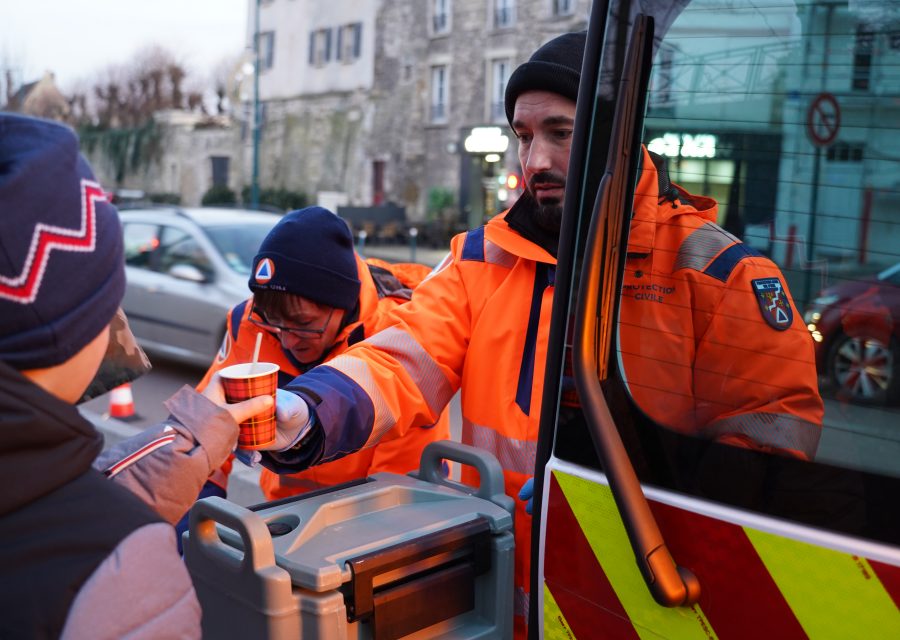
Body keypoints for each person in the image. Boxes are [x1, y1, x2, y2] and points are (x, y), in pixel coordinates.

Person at [257, 32, 823, 637]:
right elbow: (401, 360)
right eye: (523, 137)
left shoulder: (716, 274)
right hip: (491, 592)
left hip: (633, 598)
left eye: (561, 133)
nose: (534, 163)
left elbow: (770, 442)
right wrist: (305, 410)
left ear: (616, 139)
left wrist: (609, 509)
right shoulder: (481, 257)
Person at [0, 113, 301, 639]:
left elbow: (77, 497)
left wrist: (197, 436)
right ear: (67, 324)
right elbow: (82, 518)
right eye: (108, 302)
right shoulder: (124, 570)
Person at [193, 206, 449, 504]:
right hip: (284, 516)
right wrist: (192, 520)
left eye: (304, 324)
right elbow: (204, 427)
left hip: (368, 522)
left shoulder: (398, 338)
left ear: (344, 303)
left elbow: (398, 493)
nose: (287, 341)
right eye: (275, 323)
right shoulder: (252, 324)